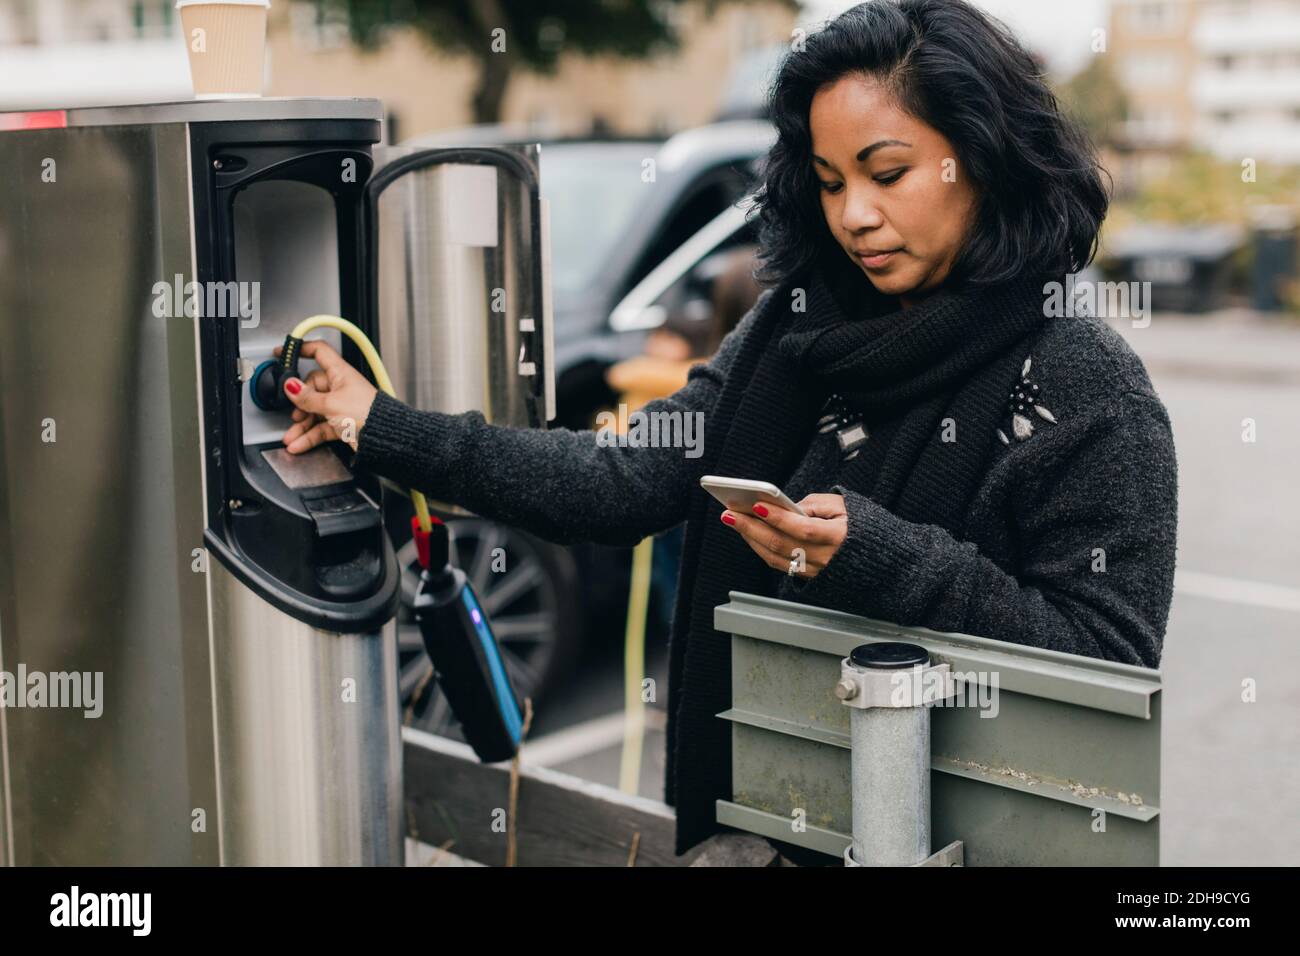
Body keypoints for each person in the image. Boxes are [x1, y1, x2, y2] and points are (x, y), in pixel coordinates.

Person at [276, 0, 1179, 858]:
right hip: (750, 830)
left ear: (982, 159)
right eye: (829, 182)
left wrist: (879, 559)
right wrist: (380, 424)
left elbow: (1106, 670)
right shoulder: (794, 329)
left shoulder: (1083, 384)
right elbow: (619, 477)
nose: (854, 215)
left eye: (888, 172)